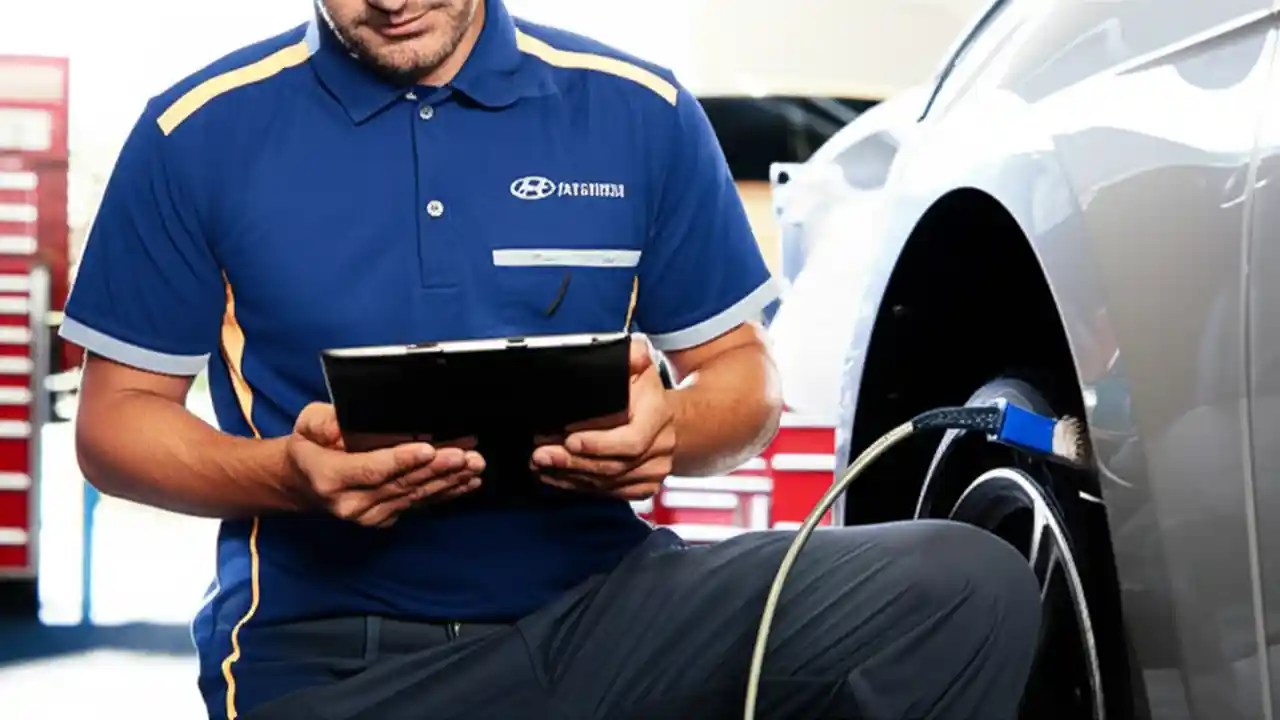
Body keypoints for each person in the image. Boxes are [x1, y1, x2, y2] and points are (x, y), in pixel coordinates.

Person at [63, 1, 1042, 718]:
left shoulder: (636, 110)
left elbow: (743, 382)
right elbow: (115, 425)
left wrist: (671, 426)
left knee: (961, 582)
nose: (394, 2)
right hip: (338, 657)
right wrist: (287, 474)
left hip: (611, 609)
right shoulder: (195, 132)